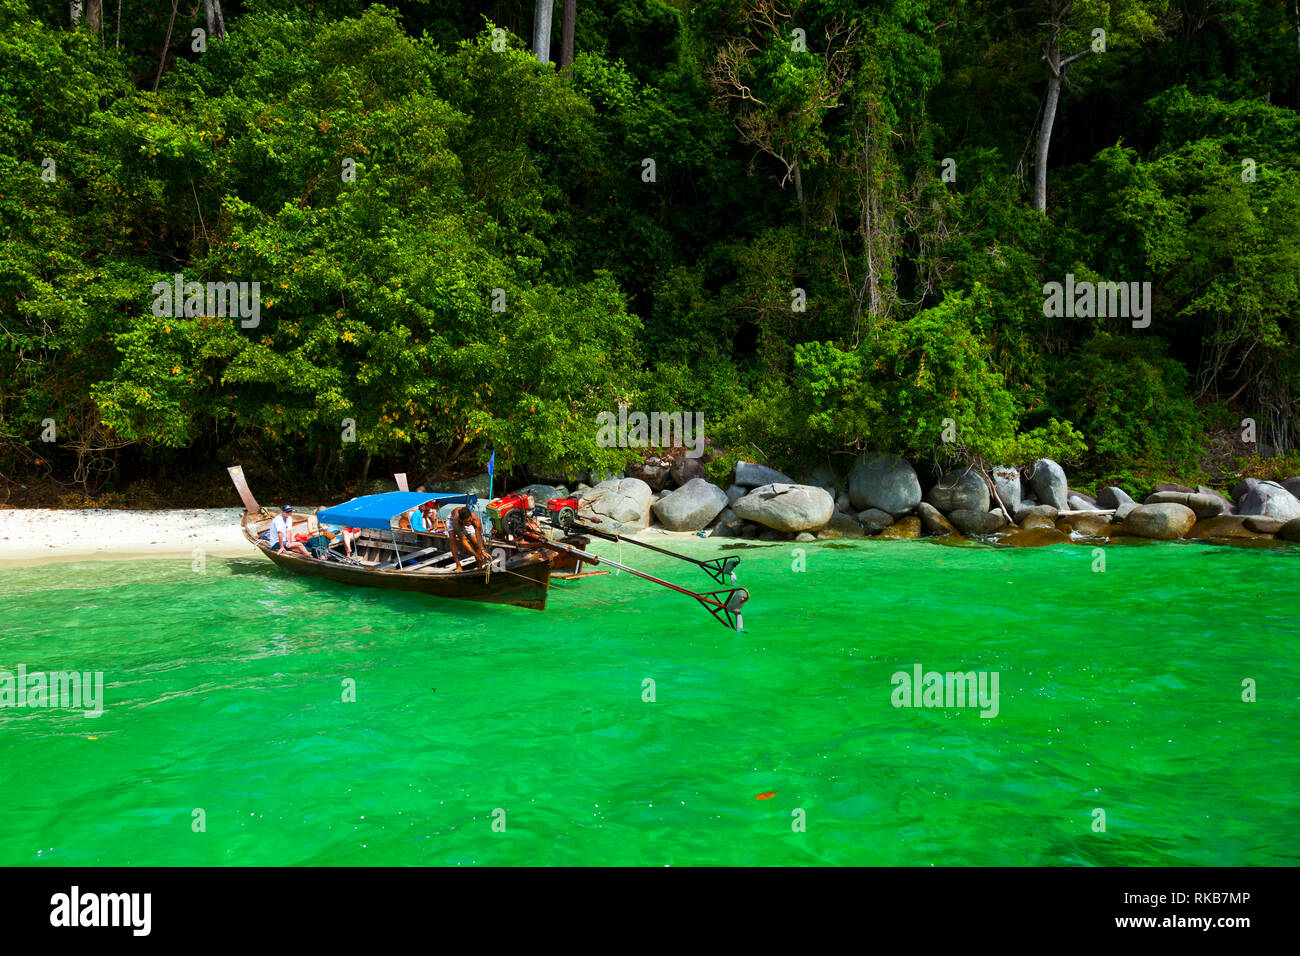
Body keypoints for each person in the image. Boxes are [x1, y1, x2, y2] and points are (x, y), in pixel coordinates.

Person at [448, 505, 490, 571]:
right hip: (452, 519)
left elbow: (478, 536)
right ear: (461, 521)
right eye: (468, 522)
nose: (470, 523)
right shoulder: (456, 522)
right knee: (452, 540)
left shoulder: (474, 520)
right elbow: (464, 541)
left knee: (476, 543)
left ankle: (479, 566)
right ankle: (458, 565)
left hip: (465, 519)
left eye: (470, 520)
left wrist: (482, 550)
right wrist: (476, 555)